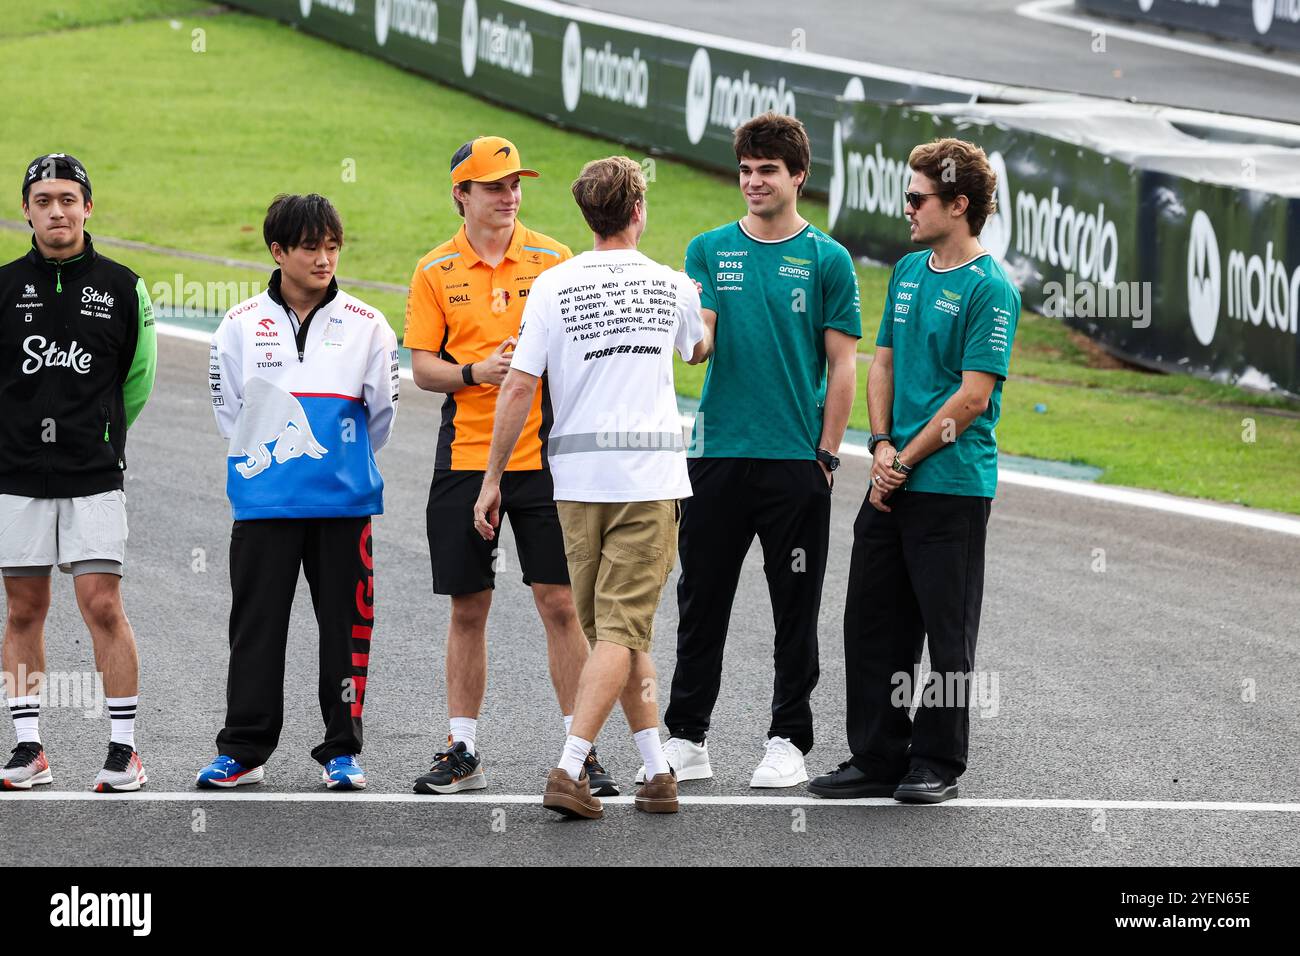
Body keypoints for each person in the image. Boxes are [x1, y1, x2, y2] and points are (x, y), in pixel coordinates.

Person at [473, 155, 711, 819]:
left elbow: (519, 386)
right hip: (648, 478)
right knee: (621, 631)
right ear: (638, 211)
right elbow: (698, 349)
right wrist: (701, 306)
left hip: (576, 483)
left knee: (615, 632)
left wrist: (492, 478)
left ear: (588, 216)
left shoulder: (552, 285)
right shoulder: (672, 285)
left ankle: (658, 772)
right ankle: (570, 766)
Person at [653, 113, 861, 788]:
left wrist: (826, 455)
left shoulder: (828, 259)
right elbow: (702, 342)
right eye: (745, 170)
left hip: (795, 461)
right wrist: (688, 335)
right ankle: (688, 737)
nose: (753, 181)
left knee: (794, 608)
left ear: (798, 175)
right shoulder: (709, 249)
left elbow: (843, 365)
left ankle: (788, 739)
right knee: (700, 601)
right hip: (715, 455)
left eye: (768, 170)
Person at [810, 137, 1019, 804]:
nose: (906, 206)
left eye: (917, 197)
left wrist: (903, 458)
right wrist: (879, 445)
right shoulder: (907, 270)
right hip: (890, 476)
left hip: (951, 486)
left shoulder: (991, 289)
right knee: (873, 623)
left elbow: (973, 397)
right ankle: (877, 755)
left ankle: (937, 762)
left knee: (947, 633)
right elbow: (884, 363)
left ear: (958, 204)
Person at [405, 136, 607, 796]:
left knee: (561, 604)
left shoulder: (555, 260)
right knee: (469, 606)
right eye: (494, 185)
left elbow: (583, 353)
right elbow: (423, 368)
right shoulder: (435, 269)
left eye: (515, 183)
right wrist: (477, 372)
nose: (509, 195)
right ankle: (462, 748)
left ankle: (581, 751)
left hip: (544, 462)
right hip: (465, 459)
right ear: (461, 194)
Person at [197, 193, 399, 791]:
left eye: (333, 247)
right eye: (311, 247)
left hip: (344, 505)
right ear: (277, 251)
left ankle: (342, 751)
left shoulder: (369, 324)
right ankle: (243, 750)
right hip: (263, 503)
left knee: (346, 631)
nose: (324, 259)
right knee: (256, 629)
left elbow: (382, 417)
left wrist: (336, 464)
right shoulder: (238, 324)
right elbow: (230, 414)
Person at [0, 154, 157, 793]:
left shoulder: (123, 286)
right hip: (16, 476)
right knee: (23, 609)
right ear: (26, 210)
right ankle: (28, 747)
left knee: (102, 604)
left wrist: (103, 433)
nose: (57, 210)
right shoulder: (4, 287)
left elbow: (137, 380)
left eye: (68, 198)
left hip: (92, 473)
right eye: (43, 200)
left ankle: (124, 750)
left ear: (88, 207)